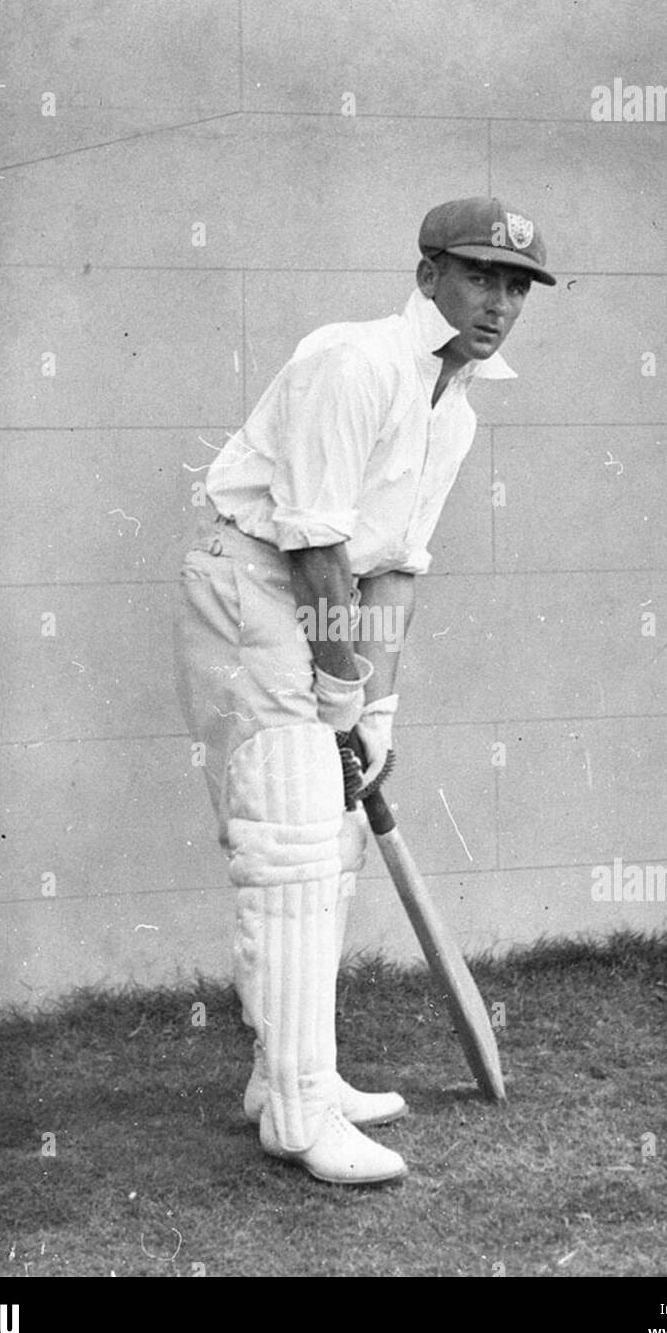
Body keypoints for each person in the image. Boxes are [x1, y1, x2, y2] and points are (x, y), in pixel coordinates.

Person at [174, 197, 555, 1185]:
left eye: (515, 285)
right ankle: (298, 1120)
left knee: (326, 845)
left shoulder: (456, 410)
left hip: (325, 604)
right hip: (253, 587)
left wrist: (373, 707)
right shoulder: (354, 361)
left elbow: (394, 568)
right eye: (479, 276)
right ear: (427, 274)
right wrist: (339, 682)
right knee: (291, 845)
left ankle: (292, 1075)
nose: (498, 302)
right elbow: (317, 547)